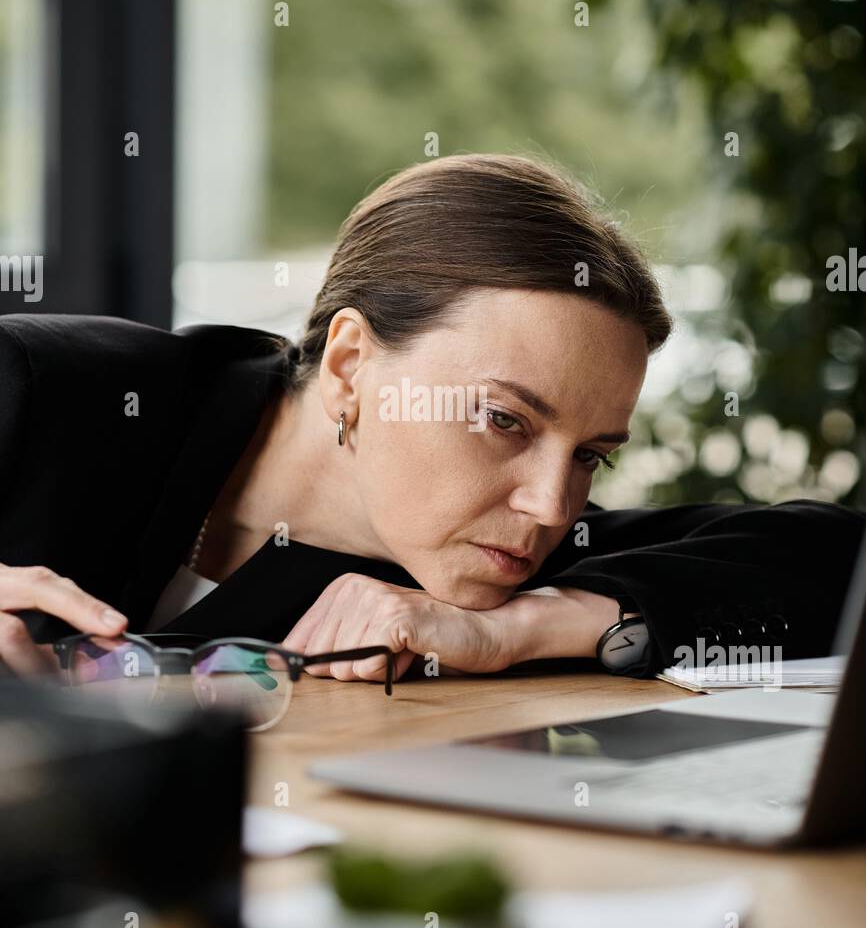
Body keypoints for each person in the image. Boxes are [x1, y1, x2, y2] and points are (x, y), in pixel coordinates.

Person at [0, 153, 862, 683]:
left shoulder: (494, 560)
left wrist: (520, 627)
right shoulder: (40, 385)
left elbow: (838, 559)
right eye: (503, 420)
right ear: (349, 366)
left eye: (592, 454)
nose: (552, 507)